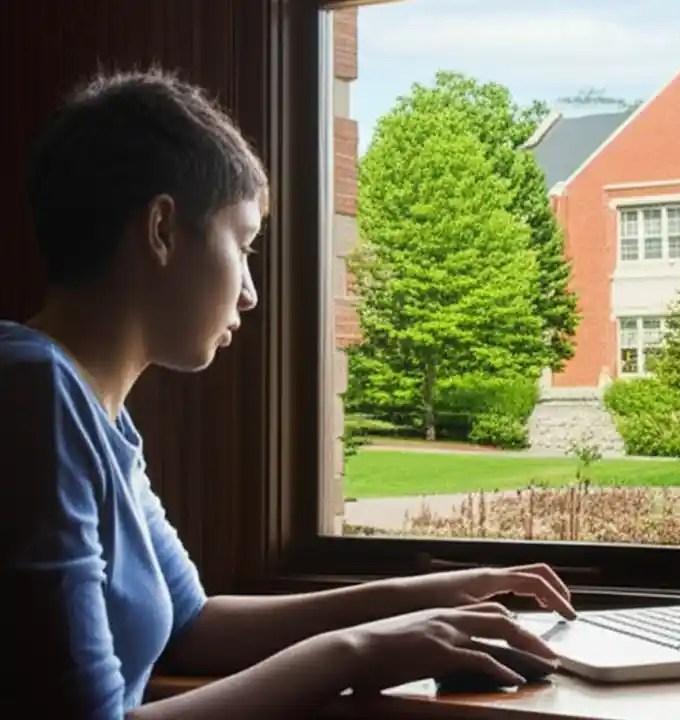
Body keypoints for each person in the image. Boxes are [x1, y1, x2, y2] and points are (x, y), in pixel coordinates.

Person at [0, 69, 577, 719]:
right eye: (243, 246)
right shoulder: (34, 395)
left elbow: (193, 626)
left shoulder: (93, 413)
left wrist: (429, 597)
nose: (248, 292)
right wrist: (355, 652)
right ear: (162, 229)